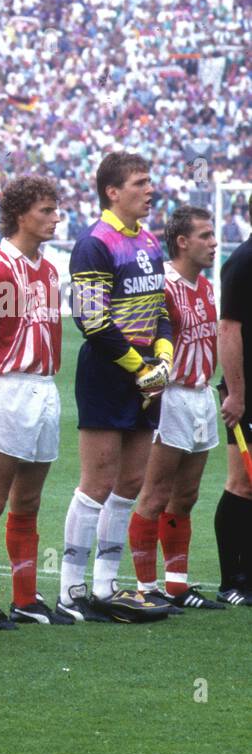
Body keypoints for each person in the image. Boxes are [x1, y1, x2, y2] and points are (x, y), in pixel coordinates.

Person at [55, 152, 173, 624]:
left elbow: (161, 308)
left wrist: (162, 358)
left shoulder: (148, 240)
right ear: (113, 191)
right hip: (109, 370)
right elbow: (90, 319)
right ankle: (71, 590)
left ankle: (105, 585)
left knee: (129, 483)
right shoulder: (92, 244)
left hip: (147, 372)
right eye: (141, 183)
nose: (150, 189)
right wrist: (137, 366)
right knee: (98, 482)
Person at [0, 175, 76, 627]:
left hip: (44, 389)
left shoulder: (50, 270)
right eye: (46, 211)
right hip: (7, 387)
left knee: (28, 501)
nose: (55, 218)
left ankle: (26, 598)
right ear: (19, 216)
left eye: (55, 210)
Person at [127, 206, 226, 610]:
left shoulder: (204, 286)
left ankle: (177, 586)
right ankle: (146, 587)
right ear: (182, 242)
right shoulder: (163, 287)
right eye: (205, 235)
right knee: (154, 494)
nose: (214, 242)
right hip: (170, 398)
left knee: (185, 495)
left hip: (201, 395)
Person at [214, 199, 252, 604]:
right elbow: (228, 330)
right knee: (242, 483)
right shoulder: (243, 262)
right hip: (248, 393)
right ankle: (231, 581)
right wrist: (237, 394)